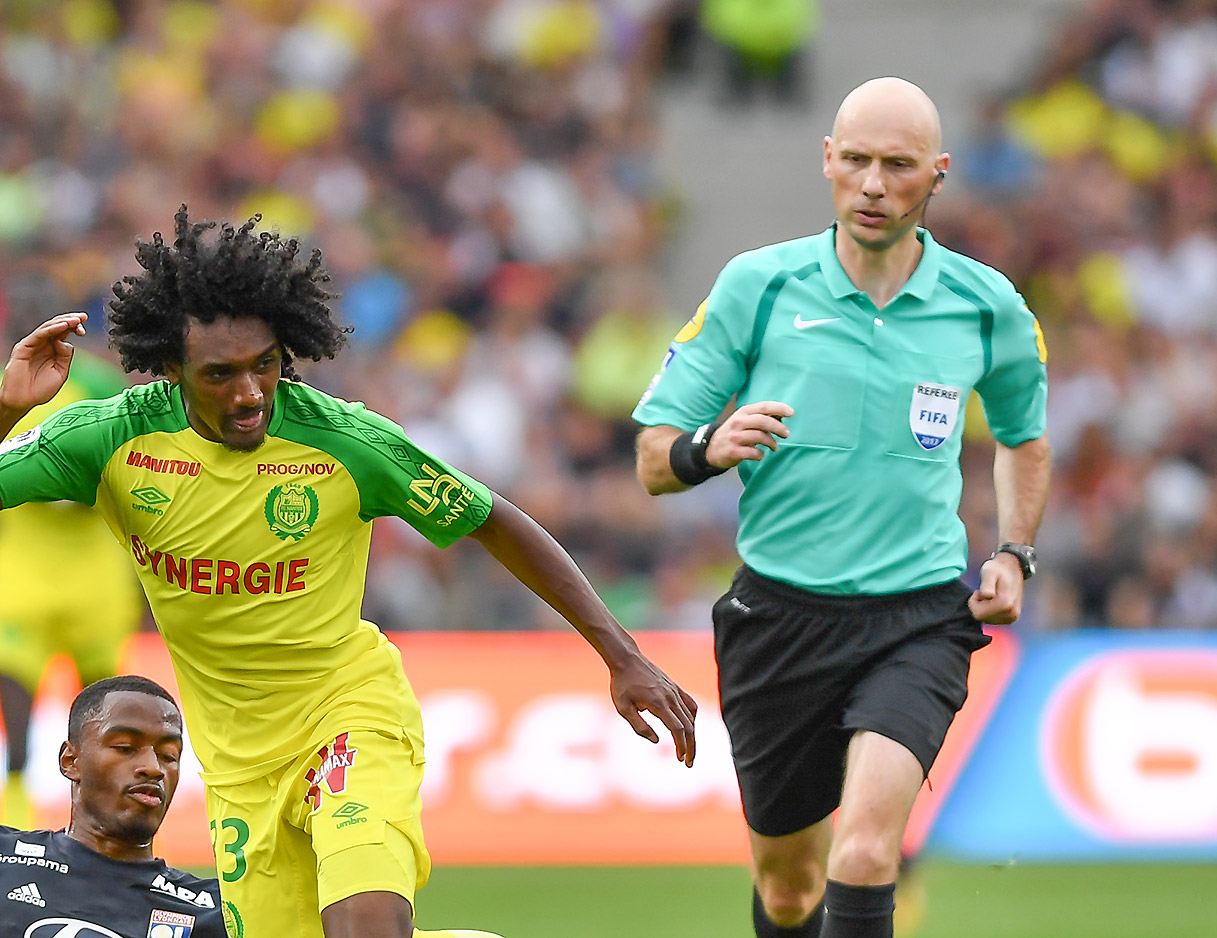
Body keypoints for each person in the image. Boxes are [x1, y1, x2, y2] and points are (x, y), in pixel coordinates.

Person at [0, 207, 698, 938]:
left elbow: (495, 520)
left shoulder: (345, 442)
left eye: (265, 363)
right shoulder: (109, 437)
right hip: (238, 769)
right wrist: (8, 408)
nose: (249, 393)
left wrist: (623, 655)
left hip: (348, 718)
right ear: (170, 369)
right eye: (219, 374)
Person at [633, 77, 1050, 938]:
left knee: (863, 854)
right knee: (789, 888)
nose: (872, 184)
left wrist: (1013, 551)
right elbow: (651, 460)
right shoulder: (758, 287)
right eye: (855, 160)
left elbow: (1022, 438)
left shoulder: (988, 306)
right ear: (827, 160)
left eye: (897, 166)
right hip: (779, 620)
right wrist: (705, 448)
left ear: (937, 175)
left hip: (919, 617)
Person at [0, 350, 144, 829]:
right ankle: (16, 817)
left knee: (103, 723)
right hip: (24, 581)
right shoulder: (7, 389)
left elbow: (127, 467)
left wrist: (69, 485)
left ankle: (101, 825)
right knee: (16, 714)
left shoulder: (100, 387)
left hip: (94, 583)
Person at [0, 674, 227, 936]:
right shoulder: (5, 857)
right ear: (70, 761)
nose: (153, 769)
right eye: (125, 747)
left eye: (169, 756)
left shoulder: (214, 911)